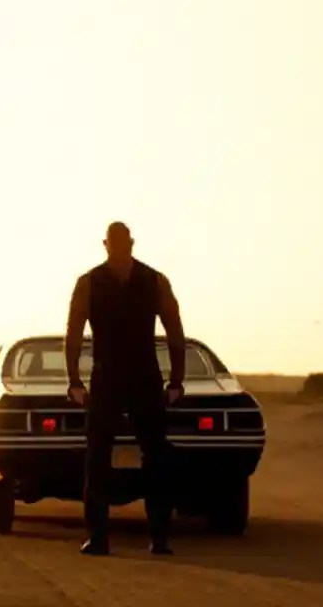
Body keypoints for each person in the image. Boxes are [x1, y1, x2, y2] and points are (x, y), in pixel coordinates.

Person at [63, 221, 187, 556]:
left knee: (149, 456)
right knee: (102, 456)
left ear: (118, 243)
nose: (118, 247)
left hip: (138, 375)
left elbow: (175, 329)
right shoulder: (90, 283)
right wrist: (73, 379)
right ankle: (105, 537)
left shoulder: (153, 280)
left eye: (119, 242)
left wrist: (177, 380)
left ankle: (154, 538)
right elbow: (73, 333)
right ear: (118, 243)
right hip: (113, 376)